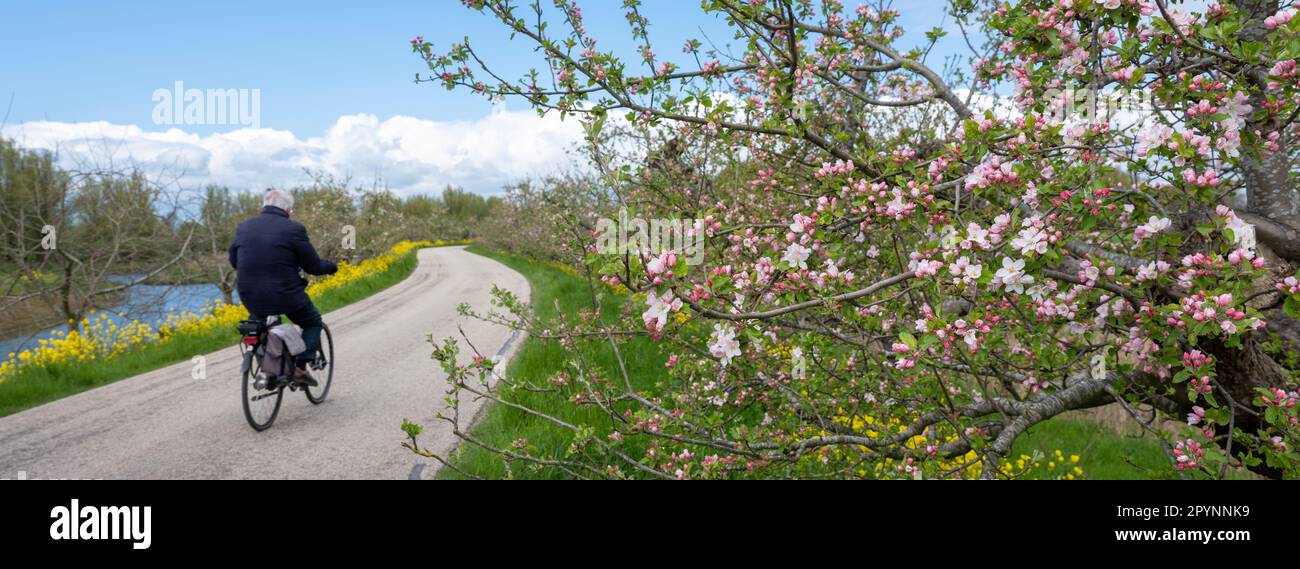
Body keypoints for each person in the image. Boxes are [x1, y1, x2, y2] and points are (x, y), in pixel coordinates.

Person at [229, 189, 338, 386]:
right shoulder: (293, 229)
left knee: (260, 326)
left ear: (264, 206)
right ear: (289, 210)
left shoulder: (244, 227)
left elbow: (234, 261)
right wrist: (331, 267)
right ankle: (300, 367)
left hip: (249, 294)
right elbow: (312, 266)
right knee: (312, 322)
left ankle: (267, 370)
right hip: (286, 295)